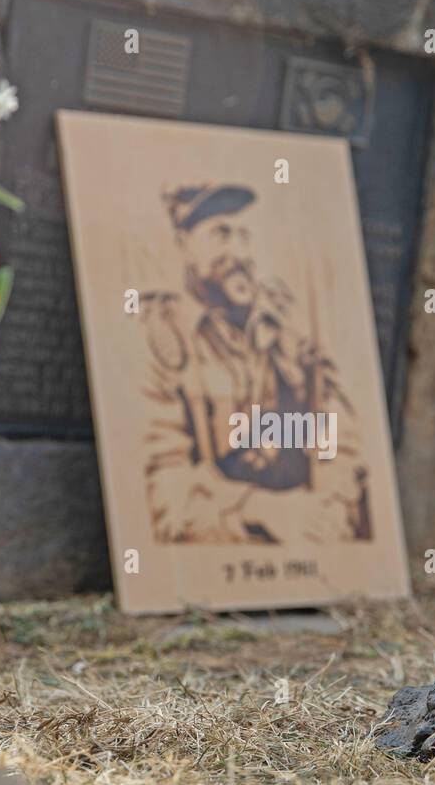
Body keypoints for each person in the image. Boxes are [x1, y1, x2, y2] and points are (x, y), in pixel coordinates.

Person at [140, 182, 370, 544]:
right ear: (184, 246)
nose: (238, 252)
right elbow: (161, 483)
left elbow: (340, 436)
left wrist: (332, 507)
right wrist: (259, 509)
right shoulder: (160, 336)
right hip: (219, 548)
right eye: (221, 234)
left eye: (245, 236)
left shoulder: (286, 325)